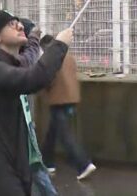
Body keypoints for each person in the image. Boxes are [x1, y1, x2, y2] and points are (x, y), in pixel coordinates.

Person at [0, 10, 73, 196]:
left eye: (18, 22)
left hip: (11, 172)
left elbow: (30, 64)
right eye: (11, 24)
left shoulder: (9, 66)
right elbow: (35, 77)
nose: (20, 26)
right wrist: (59, 45)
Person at [39, 34, 96, 180]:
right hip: (71, 98)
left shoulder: (50, 57)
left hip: (58, 99)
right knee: (52, 133)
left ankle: (83, 164)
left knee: (65, 136)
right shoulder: (68, 55)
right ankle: (47, 162)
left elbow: (47, 78)